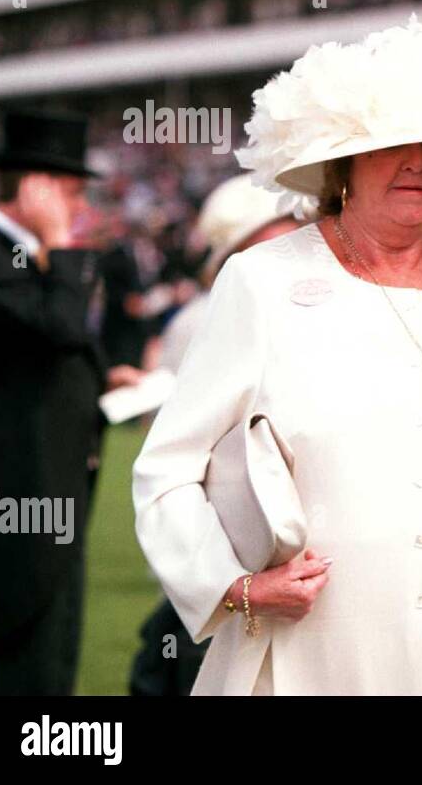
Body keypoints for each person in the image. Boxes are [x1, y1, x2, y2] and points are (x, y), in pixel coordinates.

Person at [132, 20, 422, 694]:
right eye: (387, 144)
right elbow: (167, 468)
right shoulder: (260, 283)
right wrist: (234, 587)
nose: (415, 161)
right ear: (340, 163)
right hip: (307, 656)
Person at [0, 110, 143, 694]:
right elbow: (62, 326)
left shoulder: (20, 258)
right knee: (31, 664)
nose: (78, 208)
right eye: (69, 193)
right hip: (16, 497)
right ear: (34, 187)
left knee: (56, 650)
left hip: (55, 490)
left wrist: (100, 380)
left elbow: (38, 357)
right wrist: (57, 241)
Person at [128, 173, 296, 696]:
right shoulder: (198, 322)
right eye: (272, 232)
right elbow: (179, 451)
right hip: (231, 545)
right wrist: (212, 571)